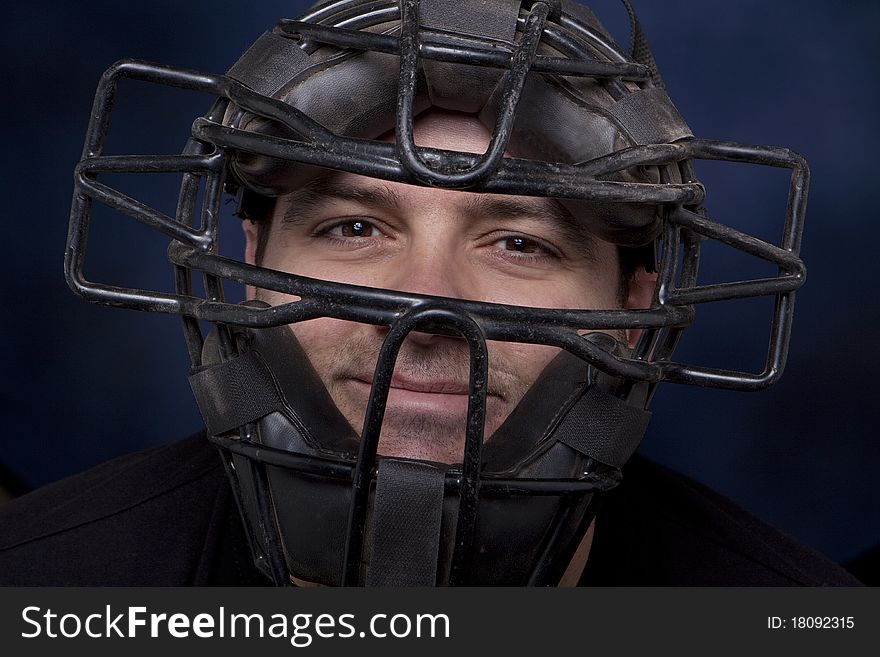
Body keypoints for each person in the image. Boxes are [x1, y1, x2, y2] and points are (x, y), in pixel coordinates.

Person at [0, 0, 863, 586]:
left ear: (634, 310)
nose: (426, 307)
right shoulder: (43, 581)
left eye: (519, 243)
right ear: (252, 262)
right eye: (354, 229)